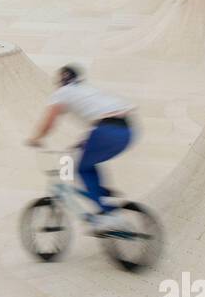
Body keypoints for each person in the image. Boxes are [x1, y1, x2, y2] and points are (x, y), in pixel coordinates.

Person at [27, 65, 135, 233]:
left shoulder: (62, 92)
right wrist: (81, 143)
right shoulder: (86, 89)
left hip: (107, 131)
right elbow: (102, 117)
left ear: (61, 82)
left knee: (80, 168)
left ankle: (106, 215)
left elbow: (49, 122)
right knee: (89, 161)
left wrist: (35, 138)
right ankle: (103, 196)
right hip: (127, 131)